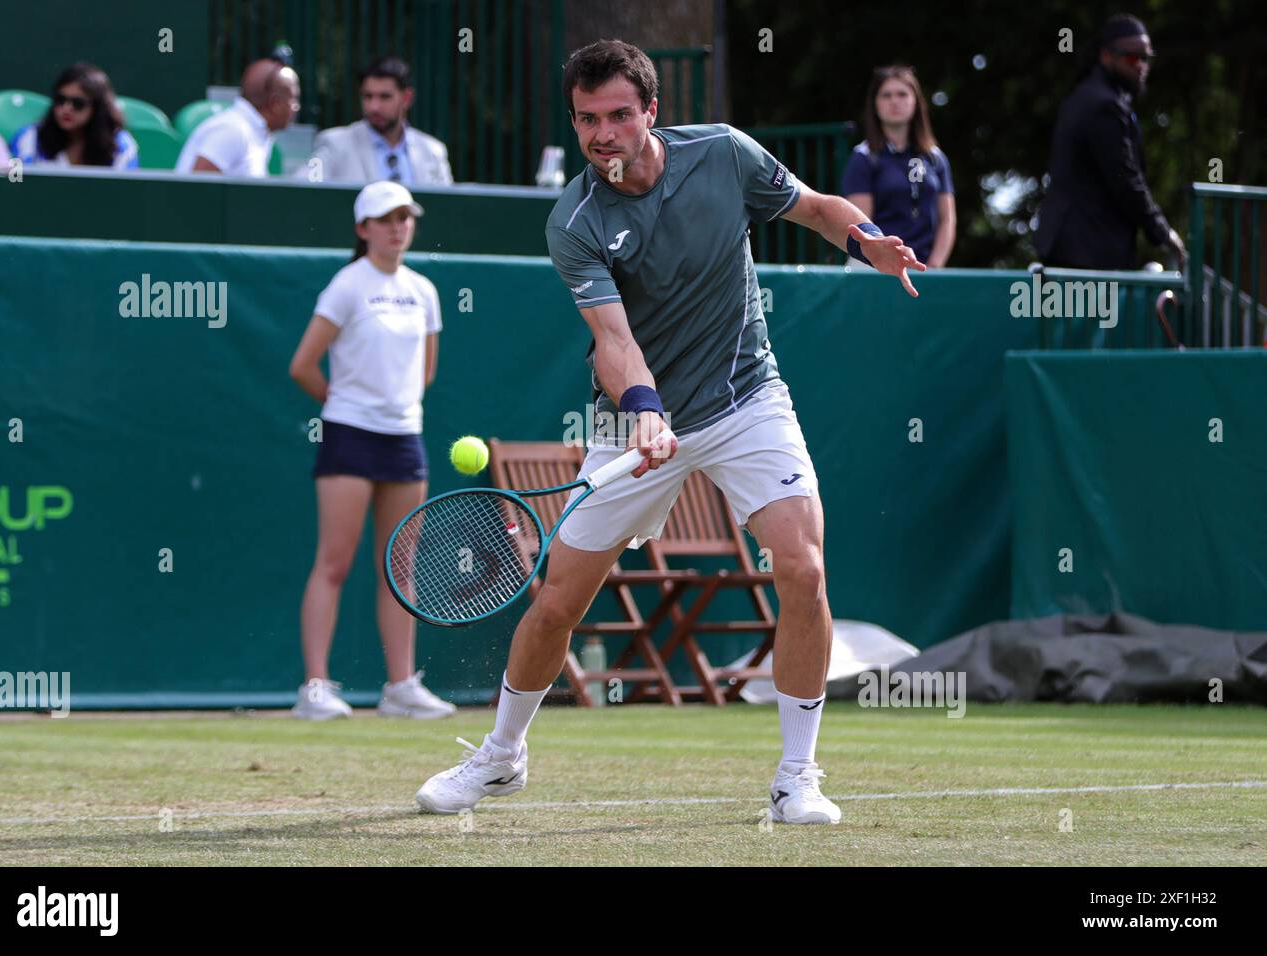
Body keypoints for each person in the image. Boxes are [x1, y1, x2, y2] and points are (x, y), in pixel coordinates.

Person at [414, 40, 923, 824]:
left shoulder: (723, 153)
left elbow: (818, 207)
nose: (603, 134)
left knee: (804, 569)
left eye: (620, 115)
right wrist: (647, 409)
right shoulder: (574, 222)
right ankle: (502, 758)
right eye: (587, 120)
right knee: (556, 603)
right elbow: (614, 341)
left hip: (748, 399)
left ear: (652, 111)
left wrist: (866, 244)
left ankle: (797, 776)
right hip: (636, 425)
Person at [288, 180, 455, 720]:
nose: (398, 226)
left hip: (405, 437)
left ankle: (401, 687)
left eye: (405, 217)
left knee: (401, 566)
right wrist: (346, 406)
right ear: (363, 229)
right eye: (385, 218)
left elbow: (426, 372)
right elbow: (303, 366)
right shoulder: (346, 285)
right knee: (334, 562)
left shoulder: (424, 291)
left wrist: (392, 408)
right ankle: (314, 687)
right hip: (349, 435)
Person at [1034, 13, 1185, 270]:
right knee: (1093, 311)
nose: (1140, 65)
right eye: (1132, 57)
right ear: (1106, 56)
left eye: (1146, 58)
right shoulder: (1103, 105)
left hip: (1076, 247)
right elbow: (1125, 179)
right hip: (1087, 251)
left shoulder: (1087, 95)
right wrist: (1163, 232)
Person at [841, 65, 953, 269]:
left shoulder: (935, 158)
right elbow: (862, 226)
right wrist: (887, 263)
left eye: (902, 94)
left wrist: (934, 267)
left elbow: (947, 219)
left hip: (925, 268)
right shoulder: (864, 157)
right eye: (886, 95)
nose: (894, 101)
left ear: (916, 101)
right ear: (875, 103)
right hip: (877, 268)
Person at [310, 57, 454, 185]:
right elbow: (303, 189)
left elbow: (447, 208)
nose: (374, 107)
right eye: (368, 96)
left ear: (406, 98)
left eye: (385, 97)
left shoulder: (433, 151)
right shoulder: (334, 144)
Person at [175, 59, 299, 176]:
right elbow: (197, 191)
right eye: (294, 99)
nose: (296, 107)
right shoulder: (232, 130)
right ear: (275, 104)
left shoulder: (255, 131)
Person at [11, 63, 138, 170]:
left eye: (78, 103)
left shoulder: (121, 145)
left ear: (98, 108)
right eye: (60, 100)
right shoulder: (30, 137)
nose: (66, 109)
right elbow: (15, 186)